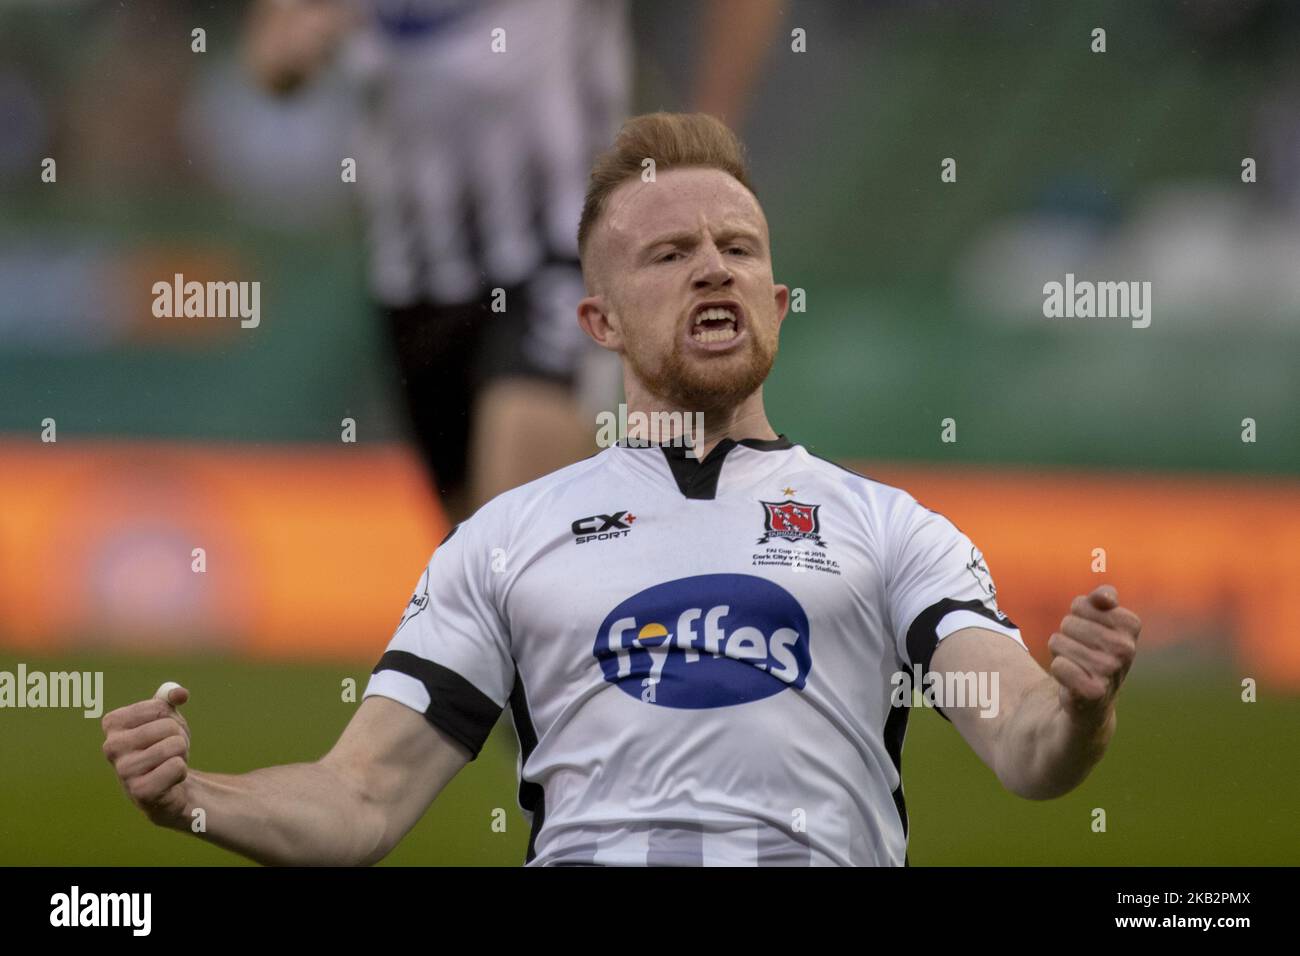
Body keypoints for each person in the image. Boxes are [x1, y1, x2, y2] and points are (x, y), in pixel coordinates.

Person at [101, 113, 1142, 866]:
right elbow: (359, 797)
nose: (711, 269)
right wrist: (195, 797)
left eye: (737, 249)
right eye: (669, 252)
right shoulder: (503, 540)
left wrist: (1080, 711)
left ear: (776, 302)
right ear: (597, 323)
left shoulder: (894, 531)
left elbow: (1025, 744)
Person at [243, 0, 785, 520]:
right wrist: (295, 44)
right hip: (413, 271)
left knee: (514, 531)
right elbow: (272, 56)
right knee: (471, 551)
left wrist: (711, 133)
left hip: (559, 244)